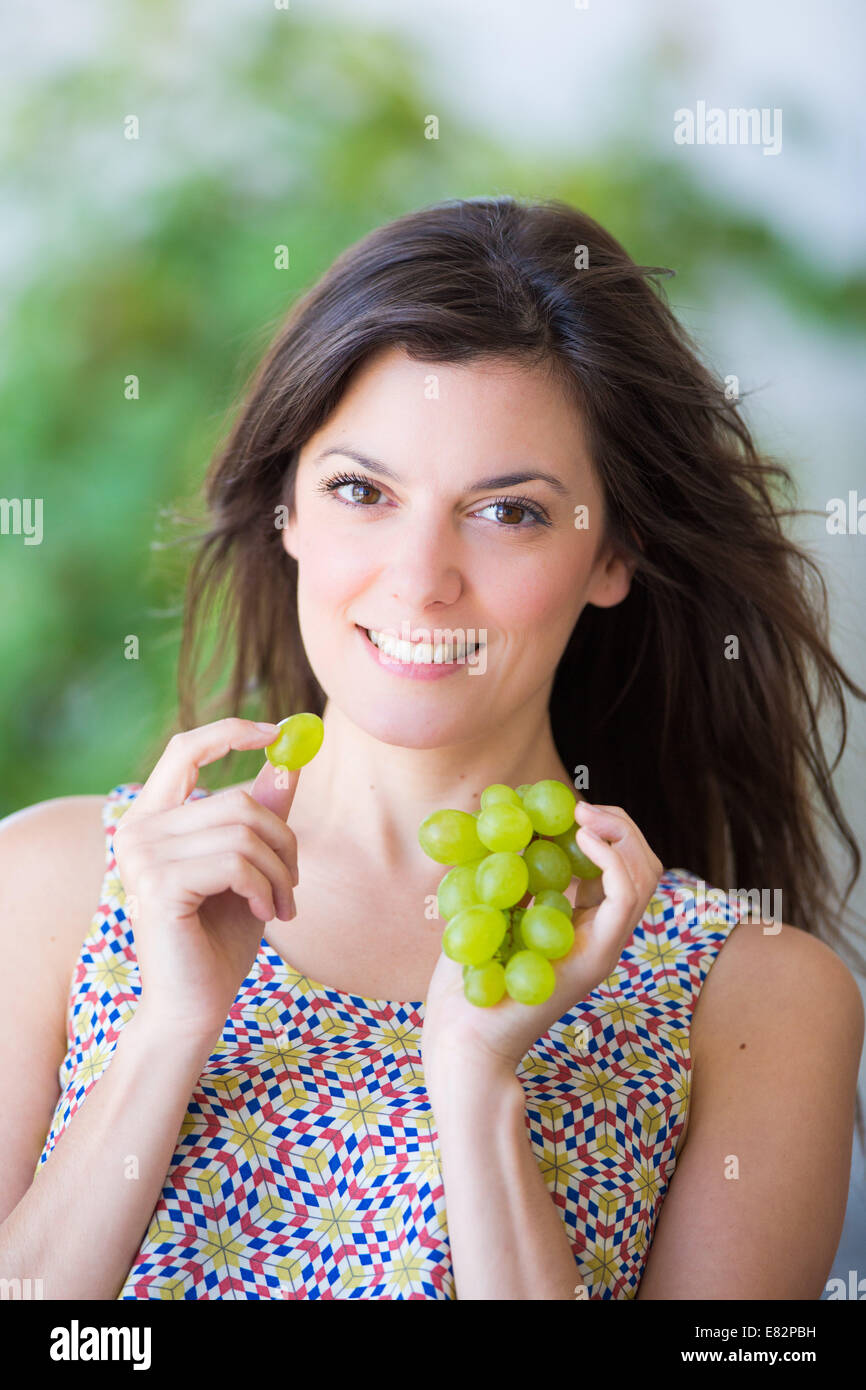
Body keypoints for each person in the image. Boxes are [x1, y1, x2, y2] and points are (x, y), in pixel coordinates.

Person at [1, 196, 863, 1301]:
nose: (418, 576)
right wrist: (167, 1033)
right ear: (288, 512)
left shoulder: (754, 1000)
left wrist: (474, 1084)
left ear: (613, 555)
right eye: (361, 491)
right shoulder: (54, 884)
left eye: (507, 512)